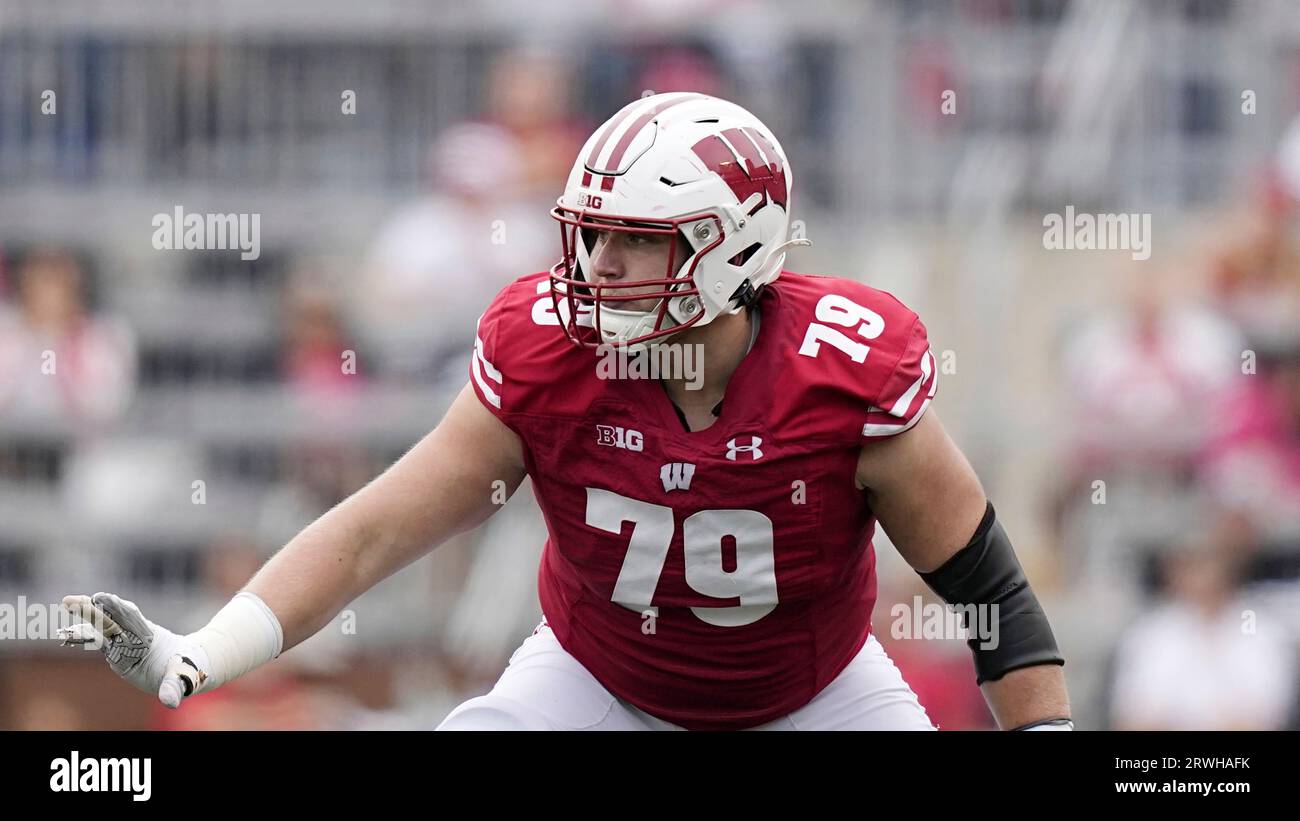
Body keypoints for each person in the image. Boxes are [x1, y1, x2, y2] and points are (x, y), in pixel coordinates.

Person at [60, 93, 1070, 731]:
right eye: (589, 237)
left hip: (814, 695)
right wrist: (208, 645)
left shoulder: (842, 371)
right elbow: (371, 533)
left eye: (632, 240)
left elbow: (989, 587)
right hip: (597, 684)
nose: (596, 268)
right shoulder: (551, 354)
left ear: (731, 251)